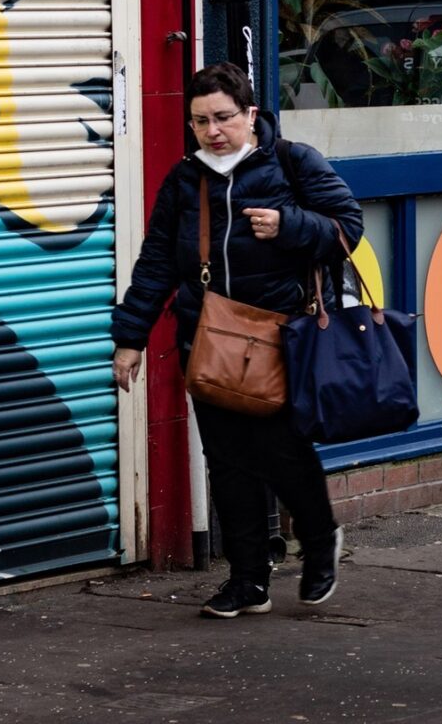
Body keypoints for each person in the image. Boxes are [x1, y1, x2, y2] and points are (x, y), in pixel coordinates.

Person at [111, 61, 364, 618]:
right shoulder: (185, 180)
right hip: (209, 340)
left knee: (281, 451)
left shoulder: (292, 163)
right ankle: (249, 581)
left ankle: (320, 540)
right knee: (227, 462)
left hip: (279, 335)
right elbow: (156, 264)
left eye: (223, 117)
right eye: (200, 121)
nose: (213, 131)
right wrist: (130, 338)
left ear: (251, 114)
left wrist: (290, 225)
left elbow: (347, 225)